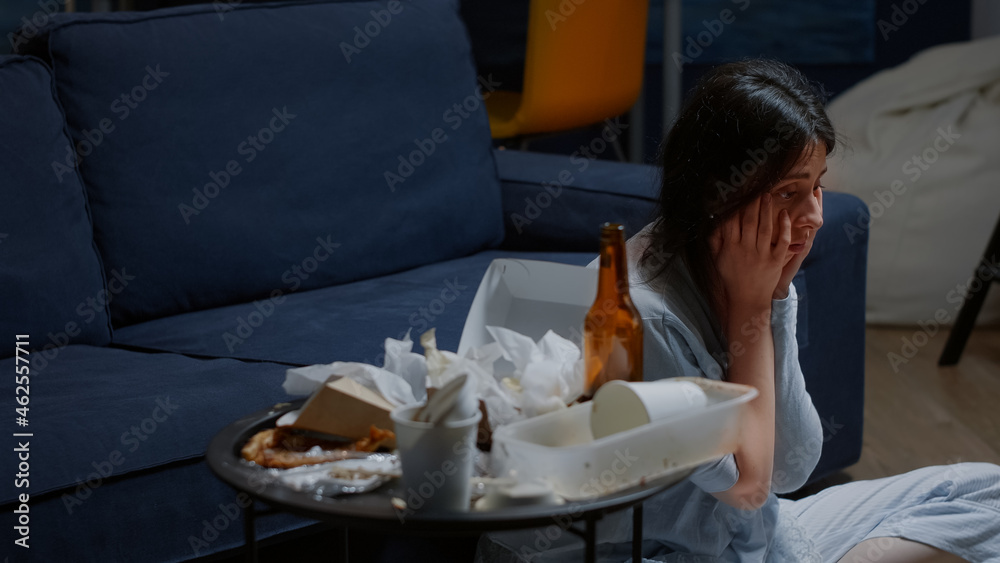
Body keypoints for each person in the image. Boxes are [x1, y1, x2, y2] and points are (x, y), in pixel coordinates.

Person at [477, 59, 1000, 562]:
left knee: (988, 492)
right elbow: (752, 489)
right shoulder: (643, 318)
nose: (815, 216)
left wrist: (773, 301)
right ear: (718, 194)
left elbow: (794, 465)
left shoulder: (725, 265)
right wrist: (752, 305)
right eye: (790, 192)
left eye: (817, 186)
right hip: (658, 553)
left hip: (743, 538)